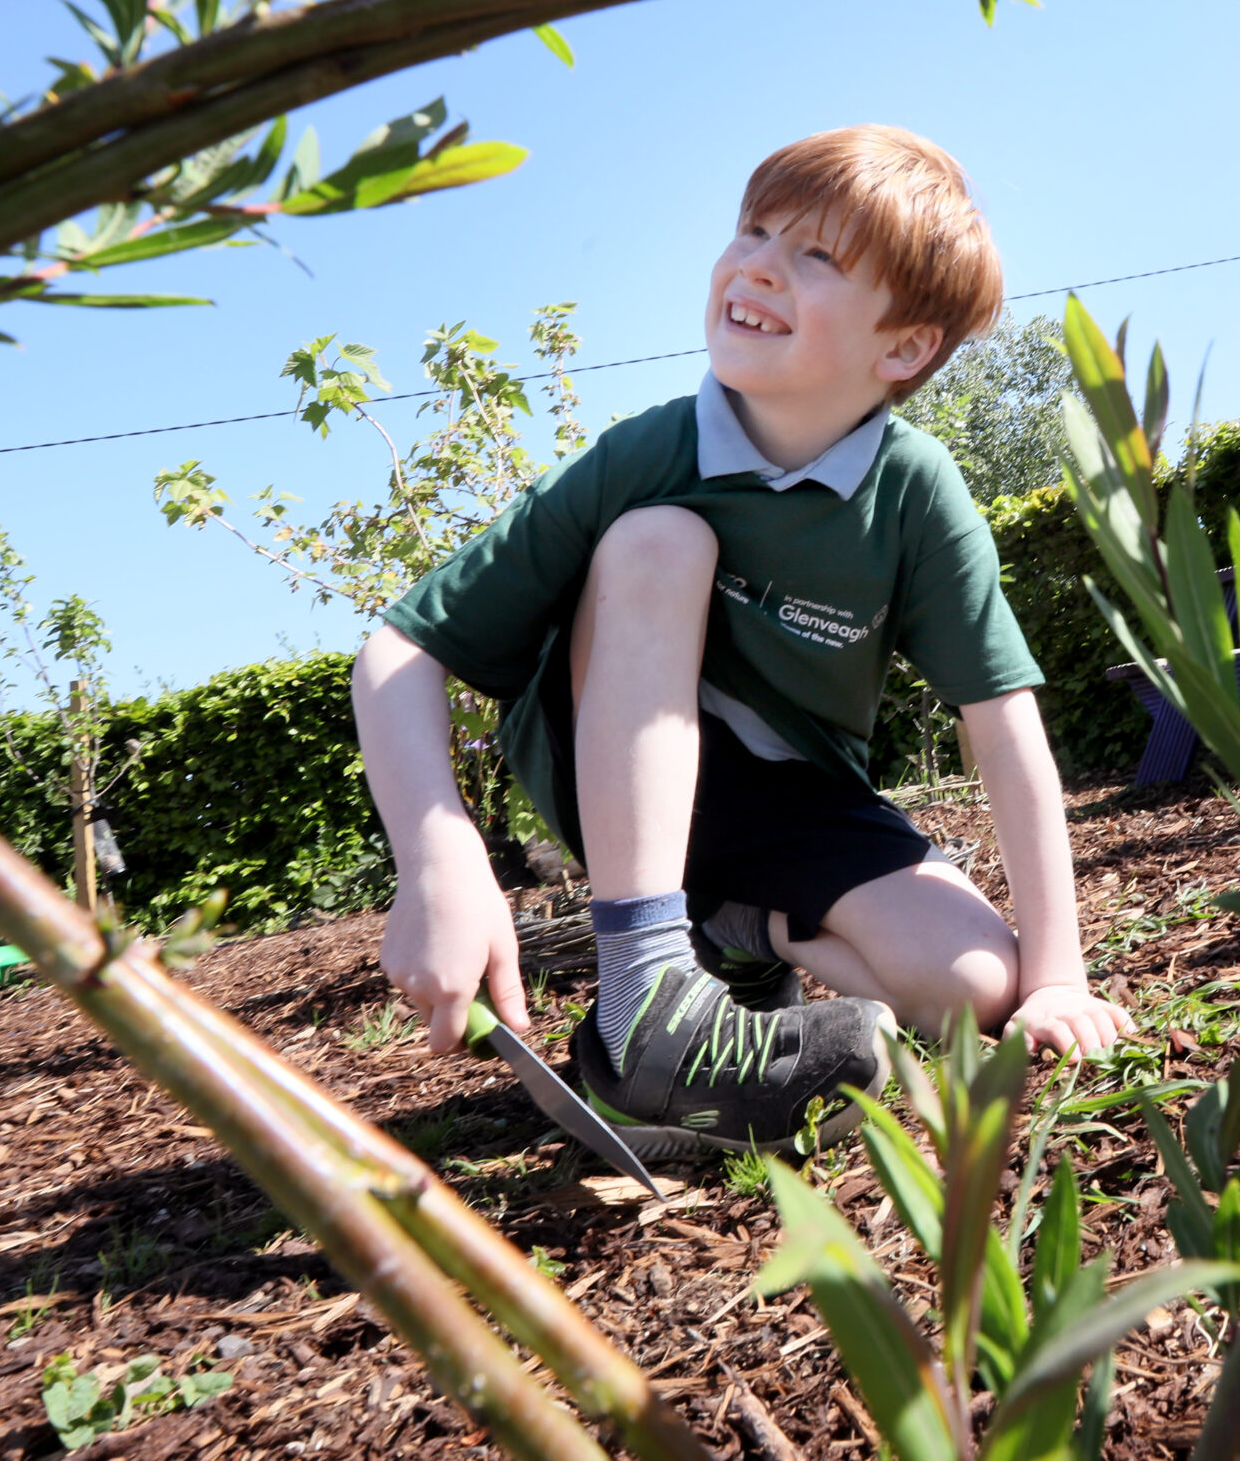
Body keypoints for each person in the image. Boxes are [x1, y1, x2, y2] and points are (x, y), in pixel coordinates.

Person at [352, 125, 1135, 1158]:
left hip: (799, 801)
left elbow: (1002, 723)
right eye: (754, 230)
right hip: (620, 774)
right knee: (659, 540)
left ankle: (738, 929)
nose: (757, 264)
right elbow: (400, 650)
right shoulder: (650, 450)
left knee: (979, 984)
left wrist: (1059, 976)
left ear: (902, 348)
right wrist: (438, 855)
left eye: (815, 255)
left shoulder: (913, 491)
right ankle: (642, 999)